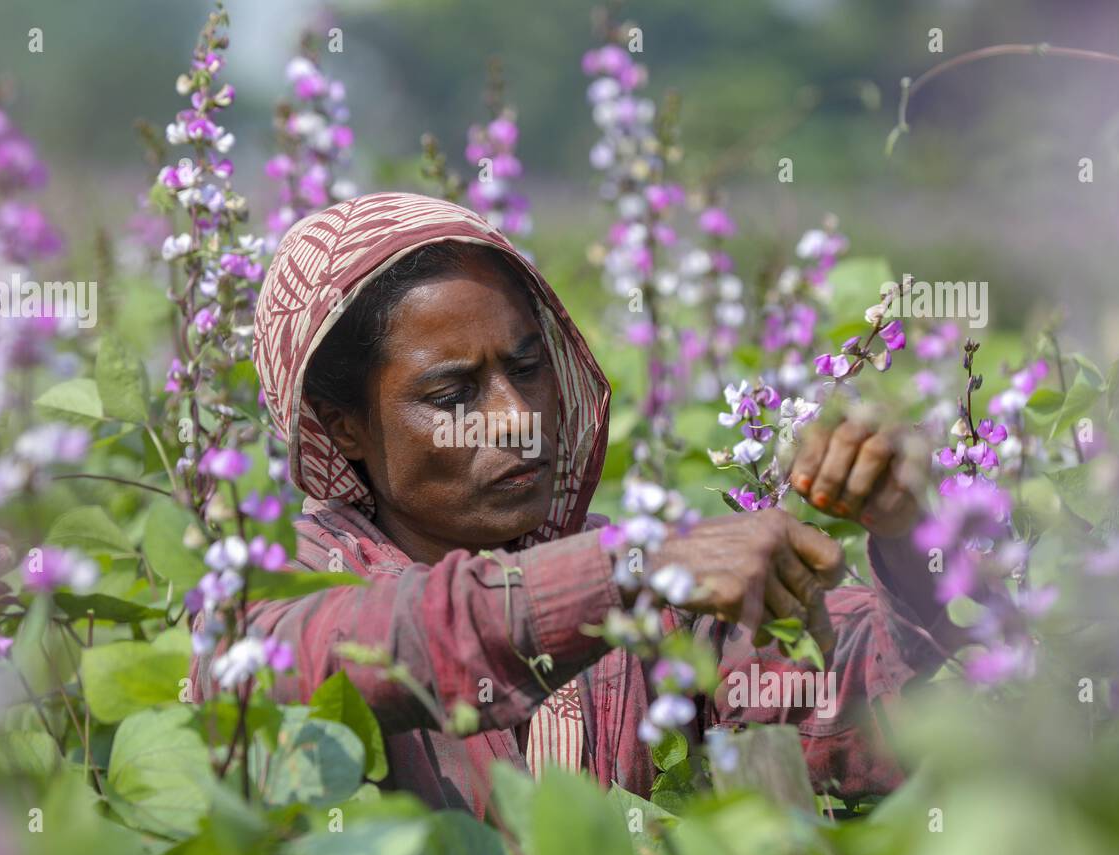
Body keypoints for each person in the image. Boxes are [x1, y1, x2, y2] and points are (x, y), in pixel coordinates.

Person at [190, 191, 969, 820]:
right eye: (452, 393)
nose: (517, 416)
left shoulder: (659, 612)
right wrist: (627, 570)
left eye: (528, 367)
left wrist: (909, 538)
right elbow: (344, 658)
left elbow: (882, 727)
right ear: (345, 427)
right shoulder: (276, 588)